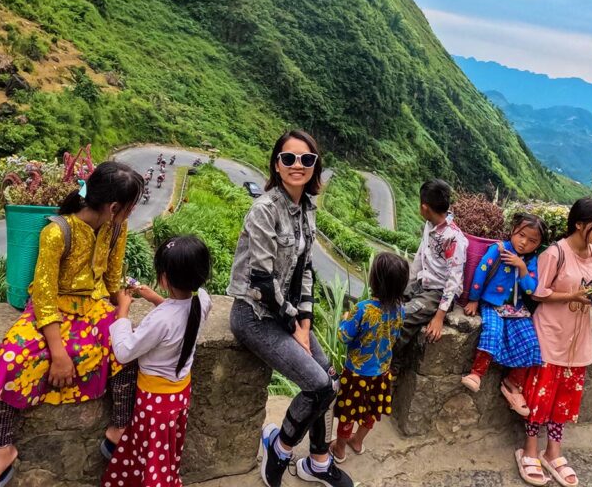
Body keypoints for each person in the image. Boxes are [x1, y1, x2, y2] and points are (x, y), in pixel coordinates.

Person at [0, 162, 144, 487]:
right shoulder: (57, 232)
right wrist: (59, 352)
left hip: (93, 307)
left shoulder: (117, 229)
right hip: (52, 311)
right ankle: (1, 449)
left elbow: (111, 276)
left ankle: (118, 428)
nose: (132, 212)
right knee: (10, 359)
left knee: (128, 351)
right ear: (115, 207)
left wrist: (121, 304)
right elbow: (45, 297)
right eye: (132, 206)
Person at [228, 130, 353, 487]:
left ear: (315, 167)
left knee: (329, 378)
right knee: (318, 385)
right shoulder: (264, 209)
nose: (298, 165)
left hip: (287, 314)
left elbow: (305, 270)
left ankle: (317, 460)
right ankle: (280, 448)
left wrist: (305, 320)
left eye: (307, 159)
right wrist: (294, 324)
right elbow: (263, 283)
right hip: (255, 316)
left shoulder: (306, 209)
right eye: (289, 158)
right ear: (277, 165)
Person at [516, 198, 592, 487]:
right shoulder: (555, 253)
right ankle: (529, 448)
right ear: (579, 224)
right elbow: (538, 293)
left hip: (578, 341)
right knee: (540, 395)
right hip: (551, 333)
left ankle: (553, 451)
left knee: (566, 398)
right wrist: (572, 296)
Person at [102, 235, 213, 486]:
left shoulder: (160, 320)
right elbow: (179, 321)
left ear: (164, 278)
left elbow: (124, 351)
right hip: (179, 395)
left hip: (155, 403)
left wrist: (123, 311)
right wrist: (155, 299)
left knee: (153, 461)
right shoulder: (202, 299)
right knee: (165, 454)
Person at [462, 213, 548, 416]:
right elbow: (481, 272)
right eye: (521, 235)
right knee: (492, 331)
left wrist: (522, 267)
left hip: (516, 309)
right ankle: (476, 374)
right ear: (513, 231)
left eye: (532, 241)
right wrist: (474, 299)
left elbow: (530, 289)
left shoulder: (531, 261)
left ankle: (513, 383)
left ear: (538, 244)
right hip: (491, 304)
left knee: (531, 341)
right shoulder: (498, 250)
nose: (524, 242)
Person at [330, 252, 409, 463]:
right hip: (382, 372)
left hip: (356, 373)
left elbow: (343, 336)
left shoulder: (362, 309)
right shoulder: (400, 310)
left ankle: (339, 448)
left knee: (348, 411)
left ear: (375, 280)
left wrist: (345, 319)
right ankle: (357, 441)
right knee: (371, 410)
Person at [390, 180, 468, 373]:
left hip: (437, 292)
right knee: (385, 302)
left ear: (424, 207)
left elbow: (454, 279)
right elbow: (420, 255)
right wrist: (403, 287)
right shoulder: (429, 224)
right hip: (420, 283)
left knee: (402, 316)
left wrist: (440, 316)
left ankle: (392, 365)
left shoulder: (453, 238)